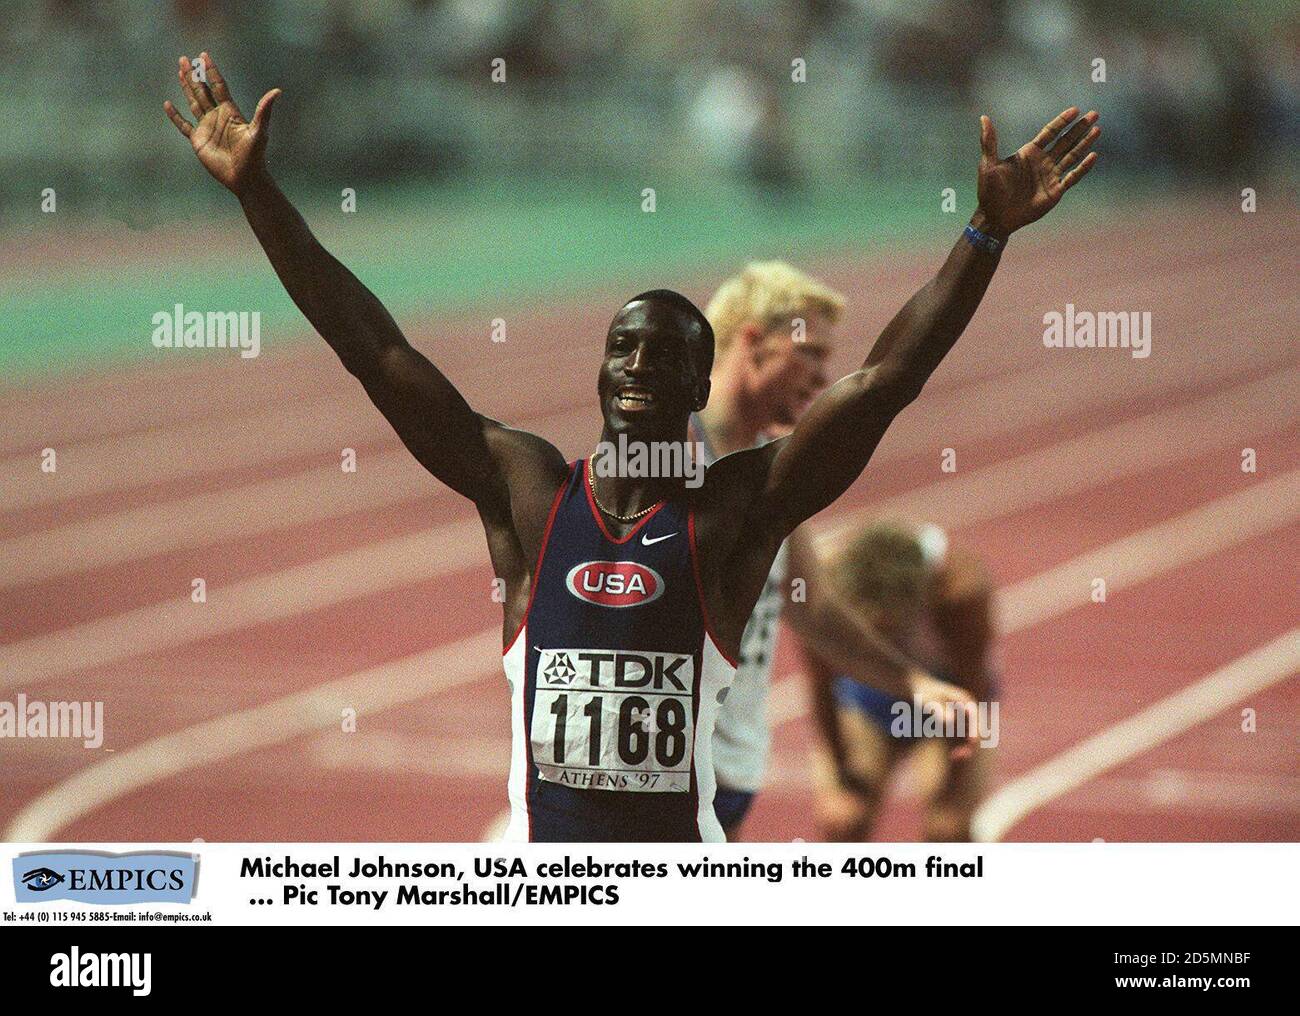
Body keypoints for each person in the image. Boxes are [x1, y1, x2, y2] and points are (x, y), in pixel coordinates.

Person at [163, 51, 1099, 841]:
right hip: (540, 885)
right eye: (623, 345)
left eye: (666, 351)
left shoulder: (737, 513)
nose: (639, 361)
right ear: (601, 372)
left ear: (701, 383)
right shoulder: (525, 493)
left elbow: (882, 385)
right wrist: (259, 197)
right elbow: (376, 351)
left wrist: (984, 233)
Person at [697, 263, 977, 839]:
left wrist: (914, 683)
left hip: (732, 768)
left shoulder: (773, 467)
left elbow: (814, 608)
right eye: (811, 355)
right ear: (752, 340)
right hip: (666, 770)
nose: (823, 377)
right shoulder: (668, 463)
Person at [805, 521, 998, 842]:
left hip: (949, 703)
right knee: (842, 820)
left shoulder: (961, 592)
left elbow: (973, 692)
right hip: (868, 699)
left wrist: (953, 790)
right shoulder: (825, 591)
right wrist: (842, 775)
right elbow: (821, 686)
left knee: (948, 831)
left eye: (887, 628)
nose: (880, 637)